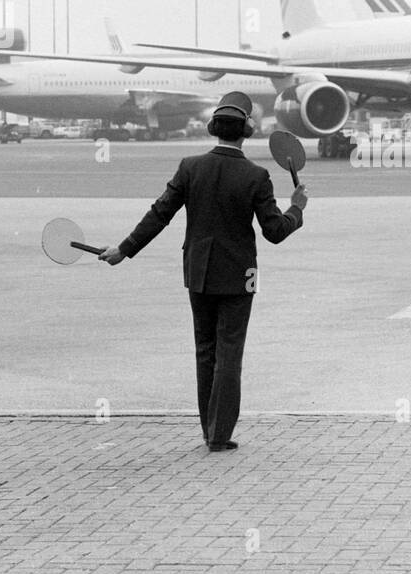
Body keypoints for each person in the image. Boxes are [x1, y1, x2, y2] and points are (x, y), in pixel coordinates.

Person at [98, 91, 308, 449]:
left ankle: (208, 430)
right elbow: (274, 233)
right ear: (247, 131)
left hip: (198, 273)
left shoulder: (190, 167)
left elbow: (159, 214)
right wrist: (297, 209)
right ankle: (219, 434)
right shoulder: (256, 176)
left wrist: (124, 249)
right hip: (240, 276)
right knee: (230, 353)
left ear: (214, 129)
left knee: (205, 350)